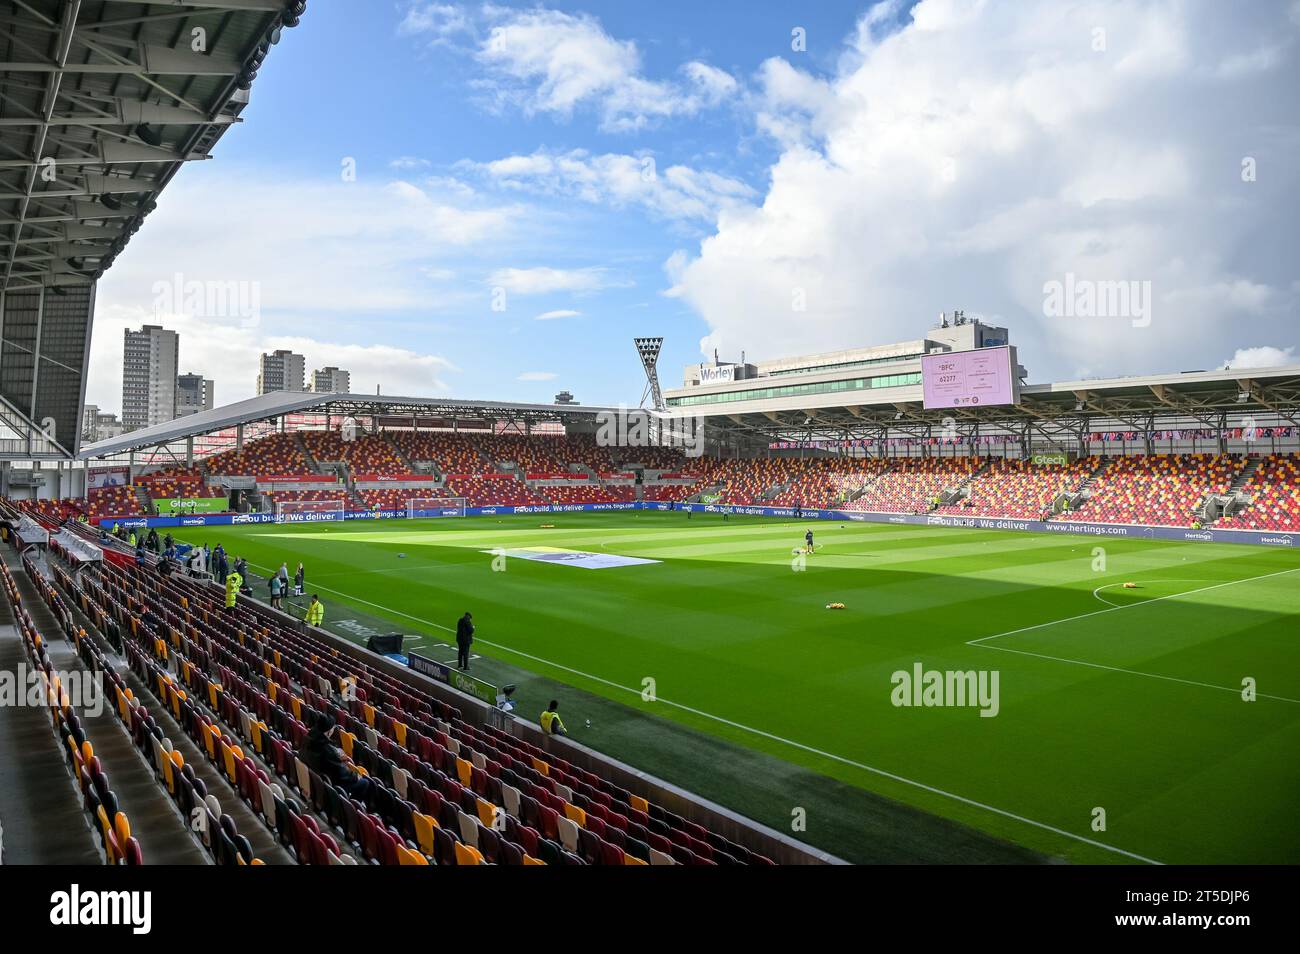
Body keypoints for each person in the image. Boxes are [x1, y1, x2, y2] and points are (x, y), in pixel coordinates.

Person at [297, 713, 372, 803]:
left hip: (315, 780)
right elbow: (341, 774)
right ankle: (351, 807)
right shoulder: (326, 749)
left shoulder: (308, 739)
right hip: (331, 785)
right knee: (365, 783)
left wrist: (337, 759)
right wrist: (356, 777)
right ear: (328, 731)